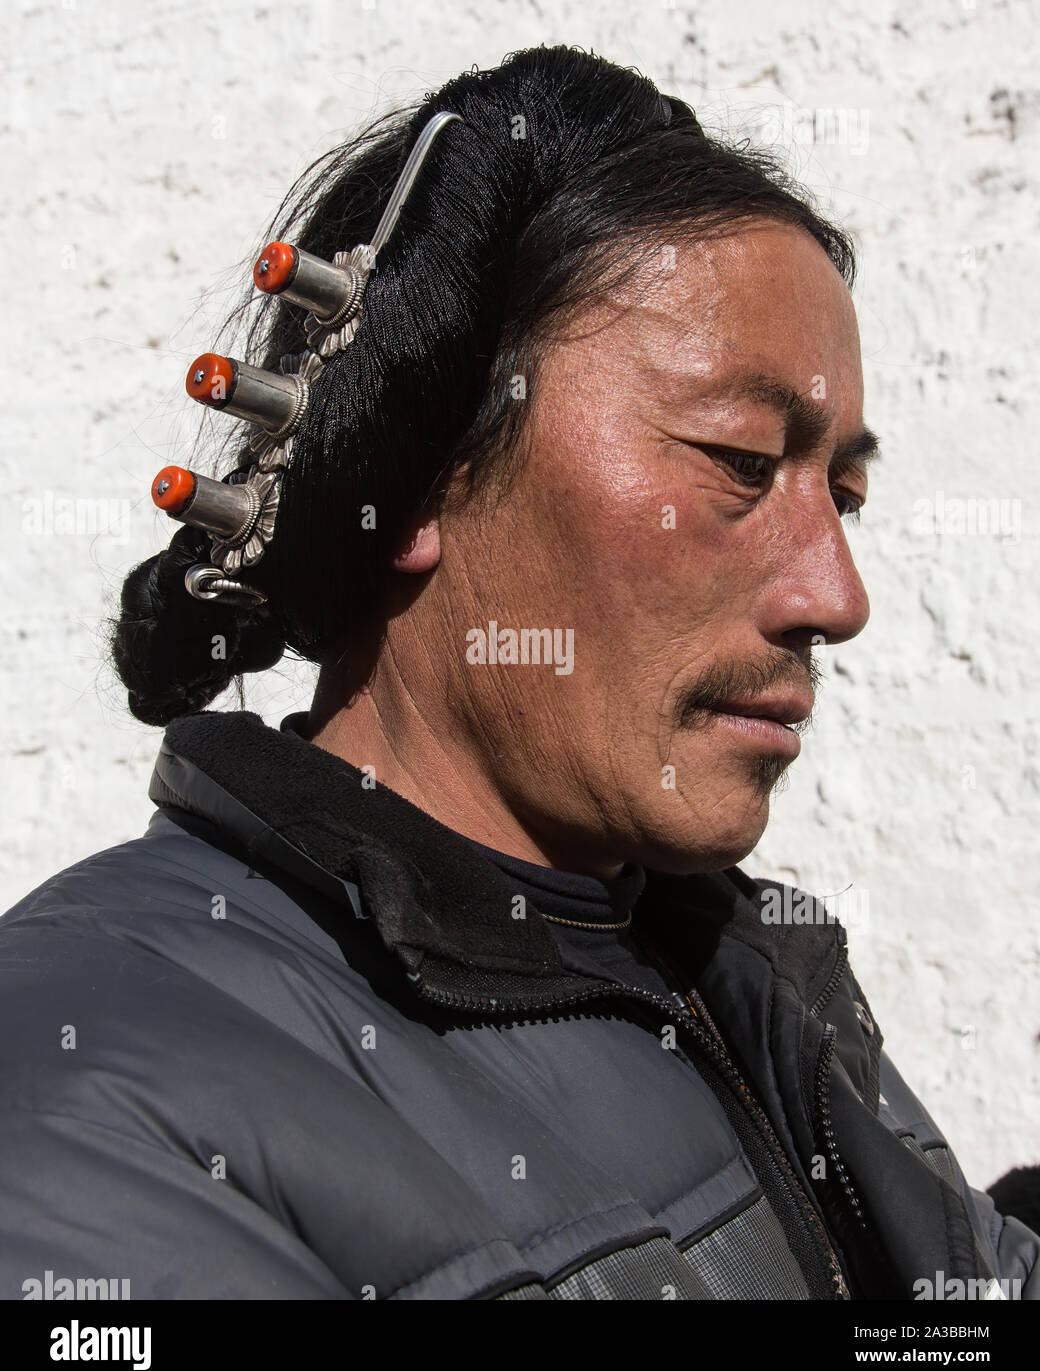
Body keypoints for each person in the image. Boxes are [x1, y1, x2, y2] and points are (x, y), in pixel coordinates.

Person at [1, 44, 1035, 1302]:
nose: (835, 597)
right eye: (738, 462)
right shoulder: (89, 1079)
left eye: (845, 496)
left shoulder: (742, 962)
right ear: (414, 481)